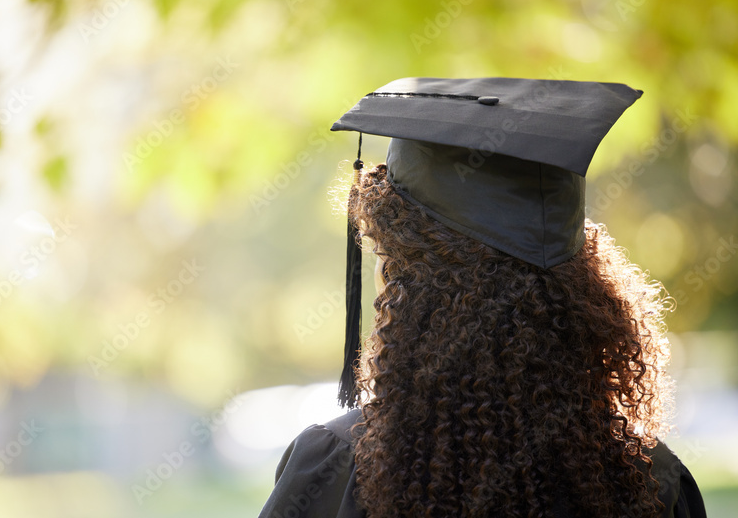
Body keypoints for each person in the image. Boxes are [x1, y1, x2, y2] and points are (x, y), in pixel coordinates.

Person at [259, 78, 706, 517]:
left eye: (384, 257)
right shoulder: (652, 481)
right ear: (582, 294)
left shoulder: (335, 467)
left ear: (401, 285)